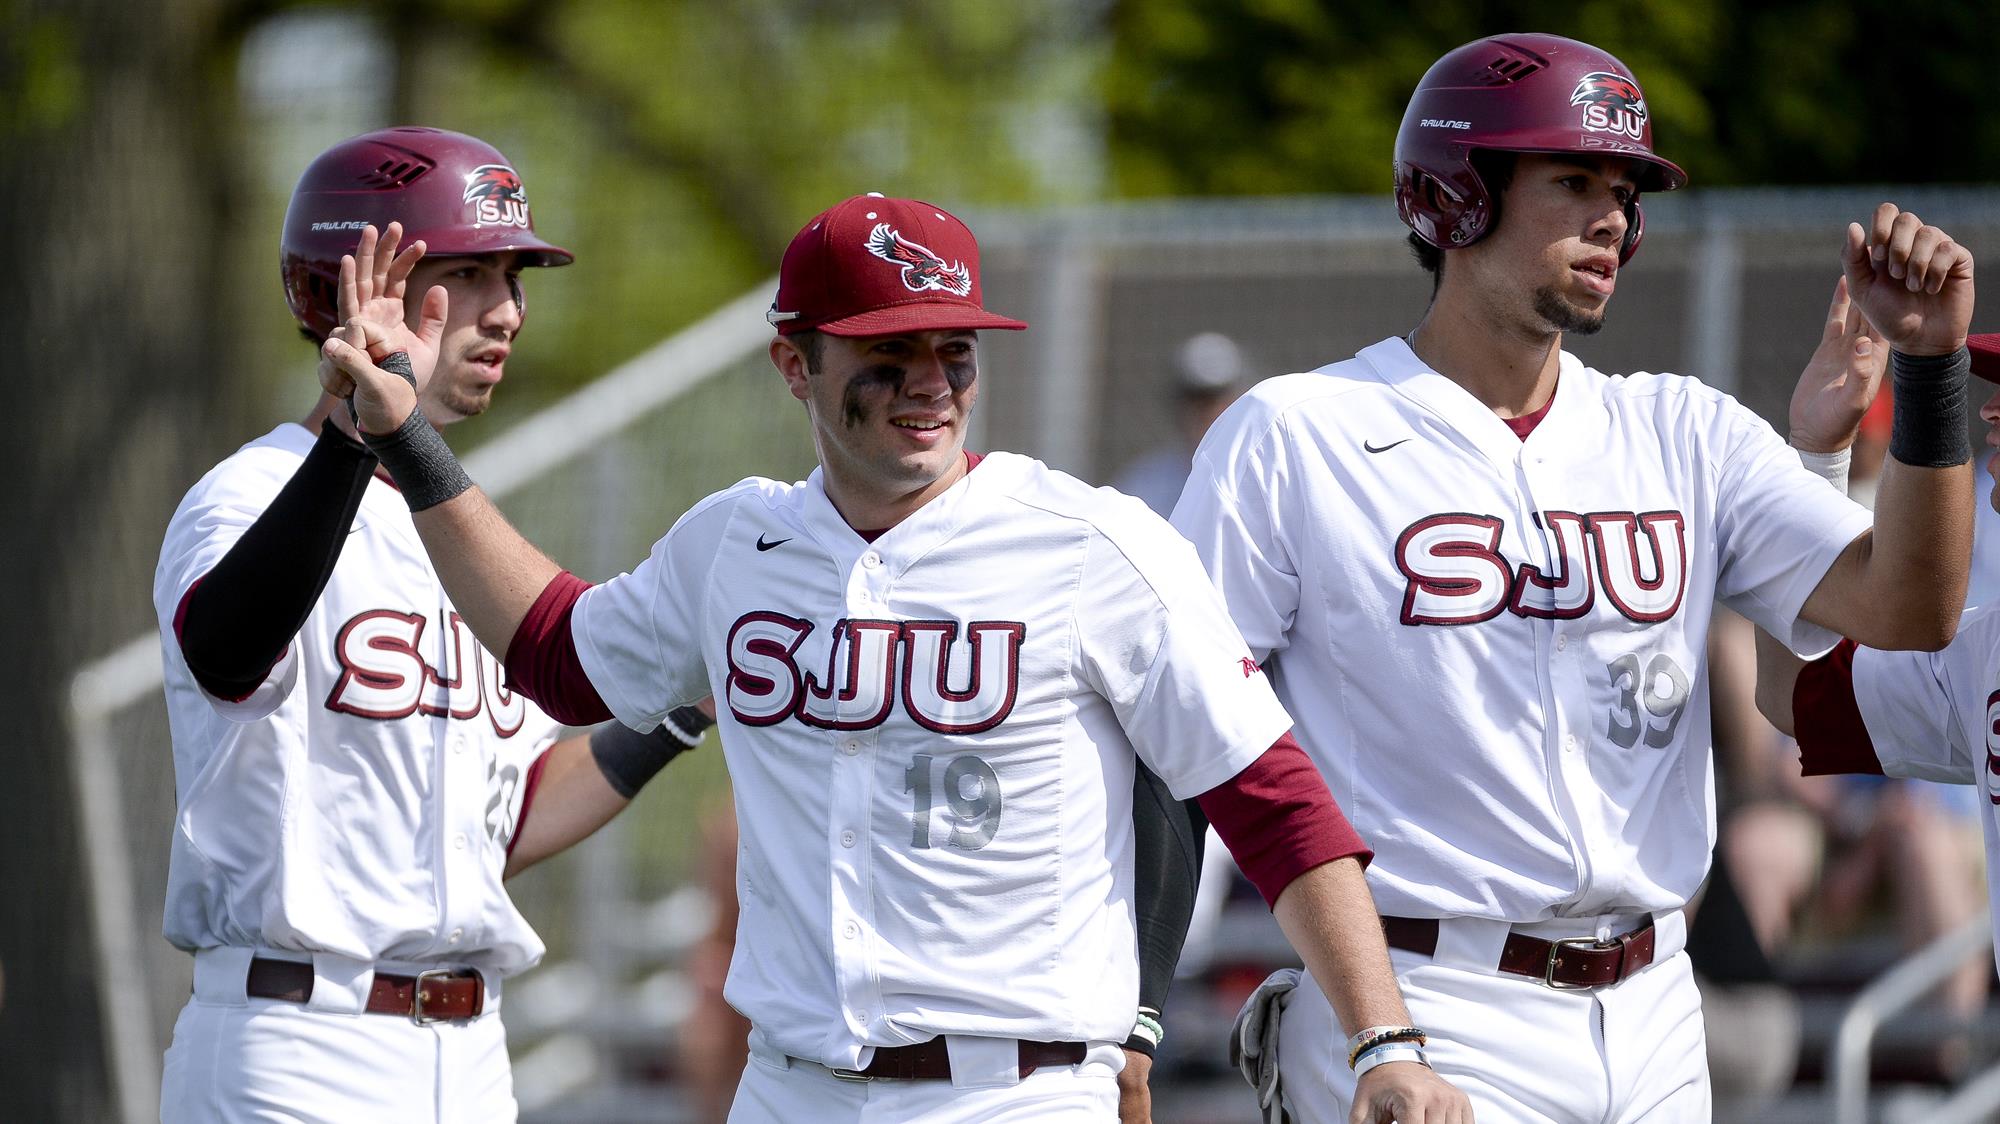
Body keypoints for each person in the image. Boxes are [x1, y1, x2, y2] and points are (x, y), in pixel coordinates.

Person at [318, 191, 1472, 1123]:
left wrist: (1383, 1036)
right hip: (791, 1084)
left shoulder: (1092, 542)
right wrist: (408, 444)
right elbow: (560, 658)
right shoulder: (734, 542)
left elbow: (1268, 795)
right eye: (886, 350)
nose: (929, 380)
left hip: (1015, 1088)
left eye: (953, 346)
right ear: (793, 363)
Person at [1169, 31, 1977, 1124]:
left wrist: (1927, 370)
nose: (1613, 217)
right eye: (1573, 180)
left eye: (1625, 190)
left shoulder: (1678, 426)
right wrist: (1364, 1029)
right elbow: (1184, 734)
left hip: (1654, 1004)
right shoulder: (1296, 433)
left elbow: (1907, 606)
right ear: (1455, 197)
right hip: (1426, 994)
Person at [154, 127, 709, 1123]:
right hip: (296, 1042)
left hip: (471, 1051)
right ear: (340, 290)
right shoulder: (247, 493)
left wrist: (677, 708)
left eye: (515, 275)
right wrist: (359, 425)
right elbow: (225, 652)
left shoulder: (458, 530)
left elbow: (512, 816)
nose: (507, 311)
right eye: (468, 272)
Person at [1754, 332, 2000, 1026]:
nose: (1990, 413)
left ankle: (1950, 1063)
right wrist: (1815, 458)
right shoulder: (1985, 646)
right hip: (1869, 823)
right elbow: (1793, 698)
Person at [1113, 331, 1251, 516]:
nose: (1207, 411)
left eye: (1217, 399)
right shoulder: (1145, 486)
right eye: (1195, 399)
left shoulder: (1261, 476)